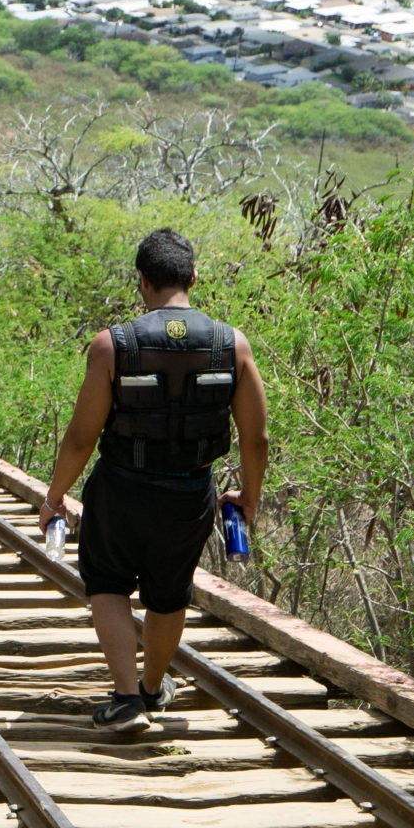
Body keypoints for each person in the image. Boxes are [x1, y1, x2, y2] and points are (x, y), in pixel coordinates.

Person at [40, 228, 268, 733]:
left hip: (122, 486)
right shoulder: (233, 345)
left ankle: (125, 698)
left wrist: (55, 497)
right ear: (193, 277)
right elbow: (257, 439)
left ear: (141, 281)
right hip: (190, 493)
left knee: (108, 583)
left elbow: (81, 437)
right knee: (169, 593)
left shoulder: (111, 346)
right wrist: (248, 499)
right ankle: (151, 688)